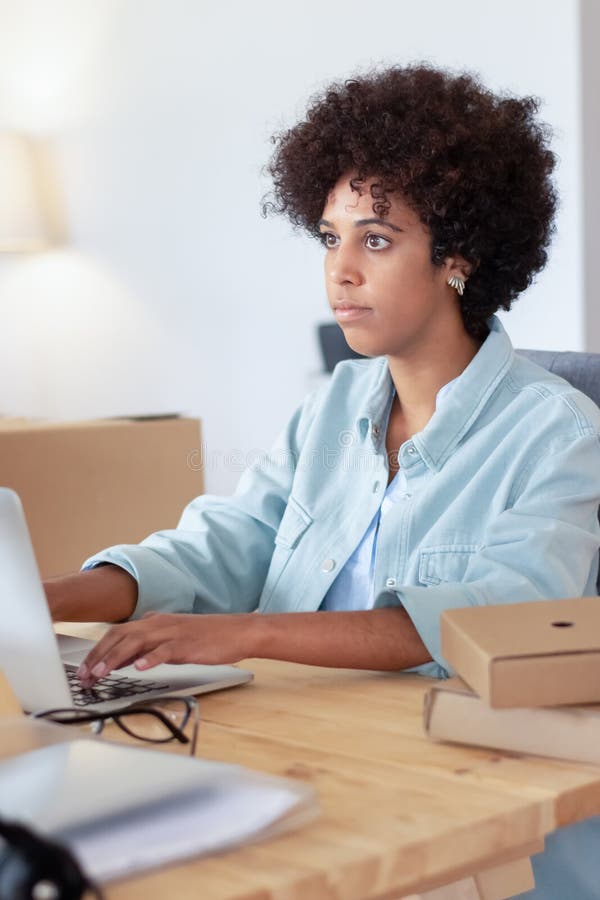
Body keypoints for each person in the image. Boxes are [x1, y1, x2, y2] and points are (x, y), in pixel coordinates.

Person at [44, 63, 600, 898]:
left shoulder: (558, 433)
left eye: (375, 239)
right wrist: (41, 597)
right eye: (329, 236)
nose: (340, 270)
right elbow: (224, 546)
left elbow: (487, 623)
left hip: (446, 798)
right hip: (299, 751)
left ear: (459, 256)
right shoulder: (334, 405)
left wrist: (246, 634)